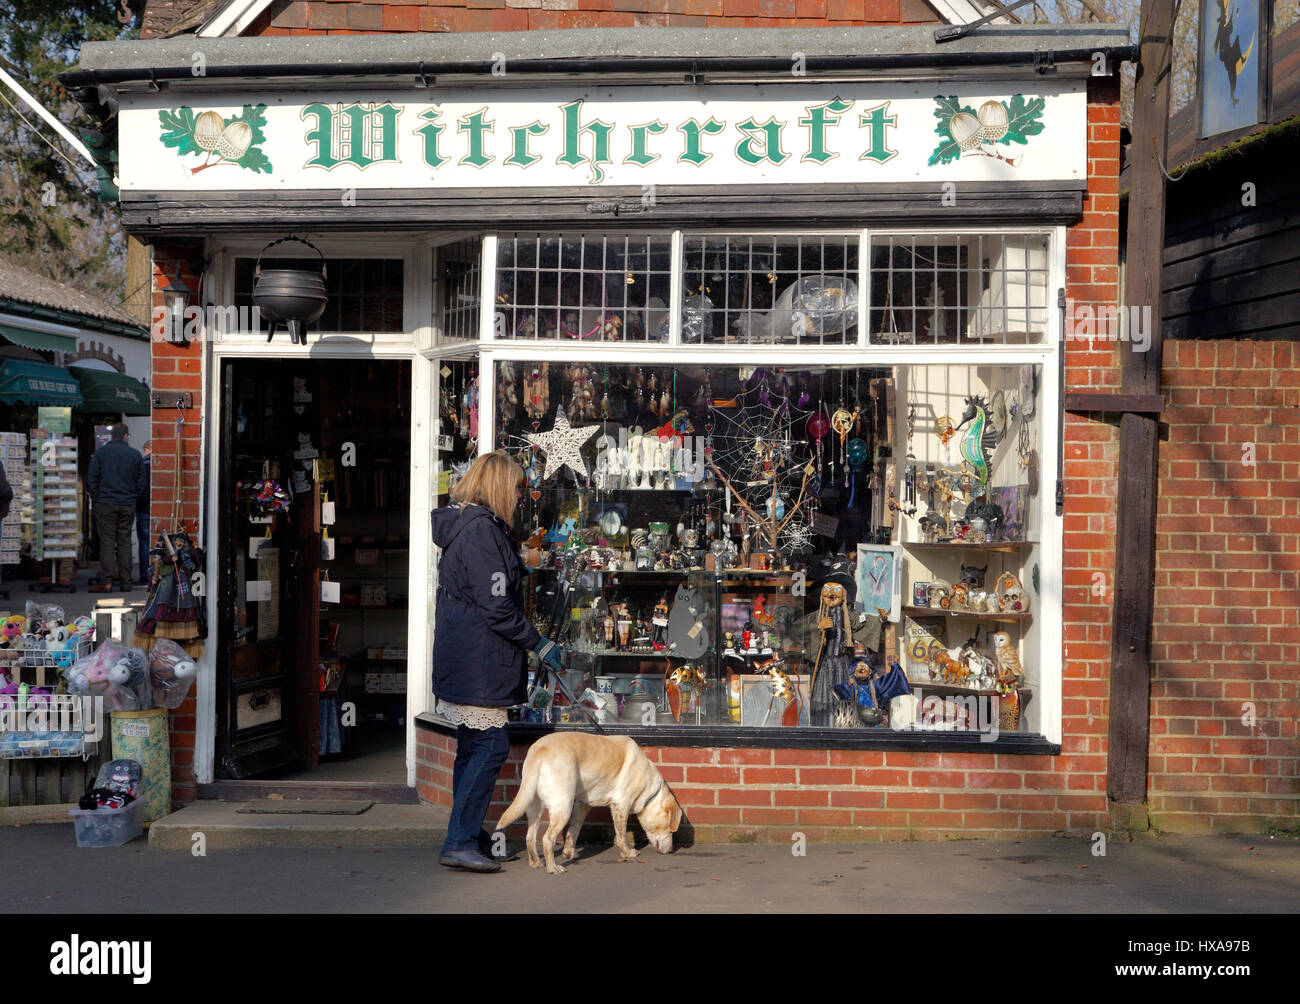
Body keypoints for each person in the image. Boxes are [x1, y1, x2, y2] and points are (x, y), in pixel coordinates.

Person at [430, 450, 563, 873]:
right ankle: (460, 839)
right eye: (519, 487)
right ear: (502, 487)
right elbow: (498, 608)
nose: (522, 495)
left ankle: (466, 832)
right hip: (480, 660)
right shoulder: (482, 532)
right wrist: (538, 643)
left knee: (473, 747)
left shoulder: (467, 526)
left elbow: (485, 590)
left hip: (464, 654)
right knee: (490, 745)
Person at [87, 424, 146, 593]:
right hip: (127, 503)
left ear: (113, 436)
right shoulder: (135, 455)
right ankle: (126, 582)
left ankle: (107, 582)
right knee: (124, 542)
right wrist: (134, 496)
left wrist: (97, 497)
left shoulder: (100, 454)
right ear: (126, 436)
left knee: (107, 542)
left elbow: (92, 479)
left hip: (105, 503)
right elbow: (141, 482)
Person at [135, 440, 152, 585]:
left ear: (147, 450)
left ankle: (145, 576)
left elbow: (138, 485)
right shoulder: (162, 463)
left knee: (144, 543)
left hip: (142, 508)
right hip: (158, 508)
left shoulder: (141, 463)